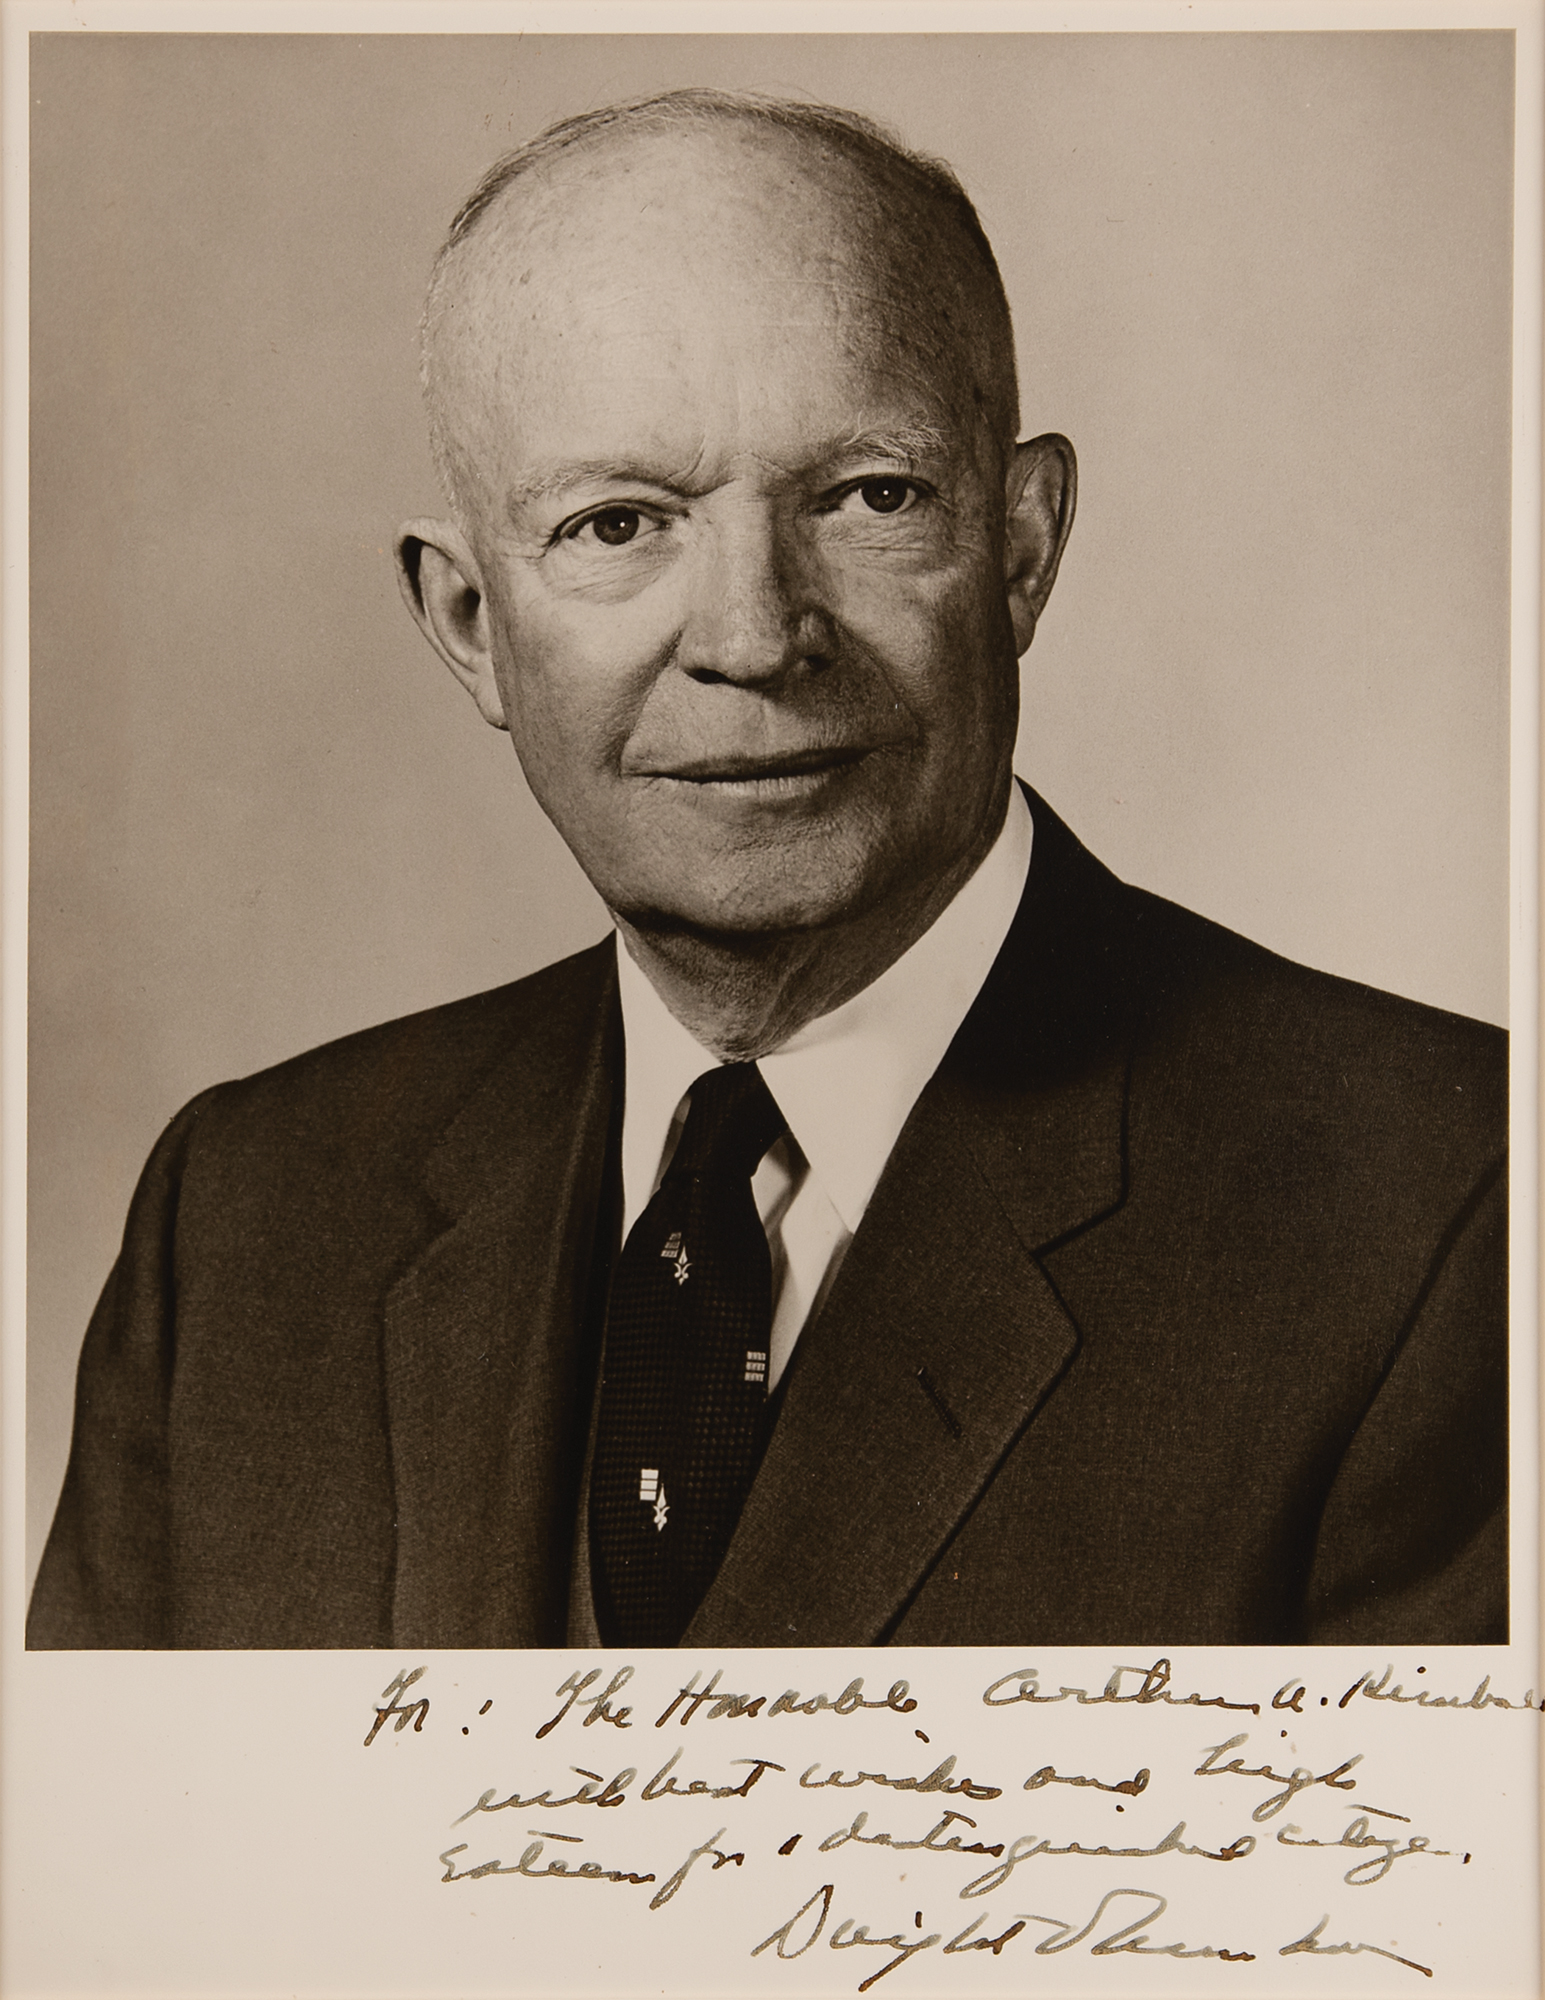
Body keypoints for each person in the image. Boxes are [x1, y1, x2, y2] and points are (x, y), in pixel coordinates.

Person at [28, 89, 1506, 1651]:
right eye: (617, 524)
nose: (750, 637)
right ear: (471, 626)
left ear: (1019, 549)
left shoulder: (1446, 1213)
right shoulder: (250, 1220)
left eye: (868, 498)